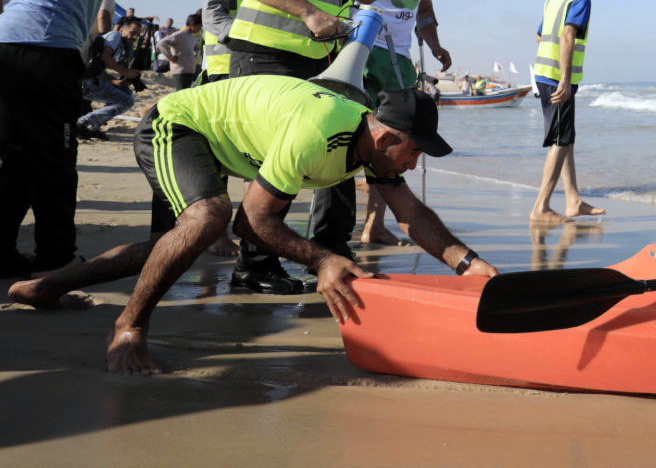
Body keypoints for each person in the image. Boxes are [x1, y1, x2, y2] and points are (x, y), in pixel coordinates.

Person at [5, 75, 498, 375]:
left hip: (221, 142)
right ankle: (129, 328)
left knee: (175, 242)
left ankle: (46, 287)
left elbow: (412, 215)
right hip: (175, 124)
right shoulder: (318, 132)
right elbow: (252, 223)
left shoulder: (372, 147)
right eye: (414, 152)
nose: (413, 164)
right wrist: (323, 259)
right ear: (386, 137)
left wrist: (468, 264)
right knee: (208, 218)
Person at [0, 0, 199, 280]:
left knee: (20, 160)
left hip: (34, 46)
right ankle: (57, 262)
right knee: (55, 158)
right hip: (40, 44)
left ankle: (3, 254)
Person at [225, 0, 432, 288]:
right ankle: (254, 266)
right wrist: (309, 13)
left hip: (316, 62)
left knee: (337, 150)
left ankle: (329, 248)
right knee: (274, 163)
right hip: (266, 56)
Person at [345, 0, 453, 248]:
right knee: (354, 132)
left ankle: (374, 225)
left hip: (400, 56)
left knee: (394, 141)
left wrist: (435, 45)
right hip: (363, 46)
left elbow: (424, 9)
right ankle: (340, 220)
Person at [529, 0, 604, 225]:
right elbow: (568, 35)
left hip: (543, 73)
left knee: (566, 138)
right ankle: (541, 207)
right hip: (557, 78)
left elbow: (539, 36)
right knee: (560, 140)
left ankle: (573, 201)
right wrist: (564, 78)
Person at [77, 16, 147, 140]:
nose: (134, 37)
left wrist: (117, 81)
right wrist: (125, 71)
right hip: (83, 82)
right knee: (127, 101)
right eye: (132, 33)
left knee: (126, 92)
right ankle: (83, 122)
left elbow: (98, 69)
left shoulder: (124, 46)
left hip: (90, 79)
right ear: (121, 30)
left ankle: (93, 126)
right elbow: (105, 57)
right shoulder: (115, 36)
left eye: (137, 35)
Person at [156, 12, 203, 91]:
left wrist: (193, 57)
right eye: (199, 26)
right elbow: (161, 43)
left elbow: (197, 49)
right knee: (180, 93)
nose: (200, 29)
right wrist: (170, 57)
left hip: (190, 70)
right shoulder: (179, 35)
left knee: (187, 92)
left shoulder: (192, 37)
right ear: (192, 24)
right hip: (180, 70)